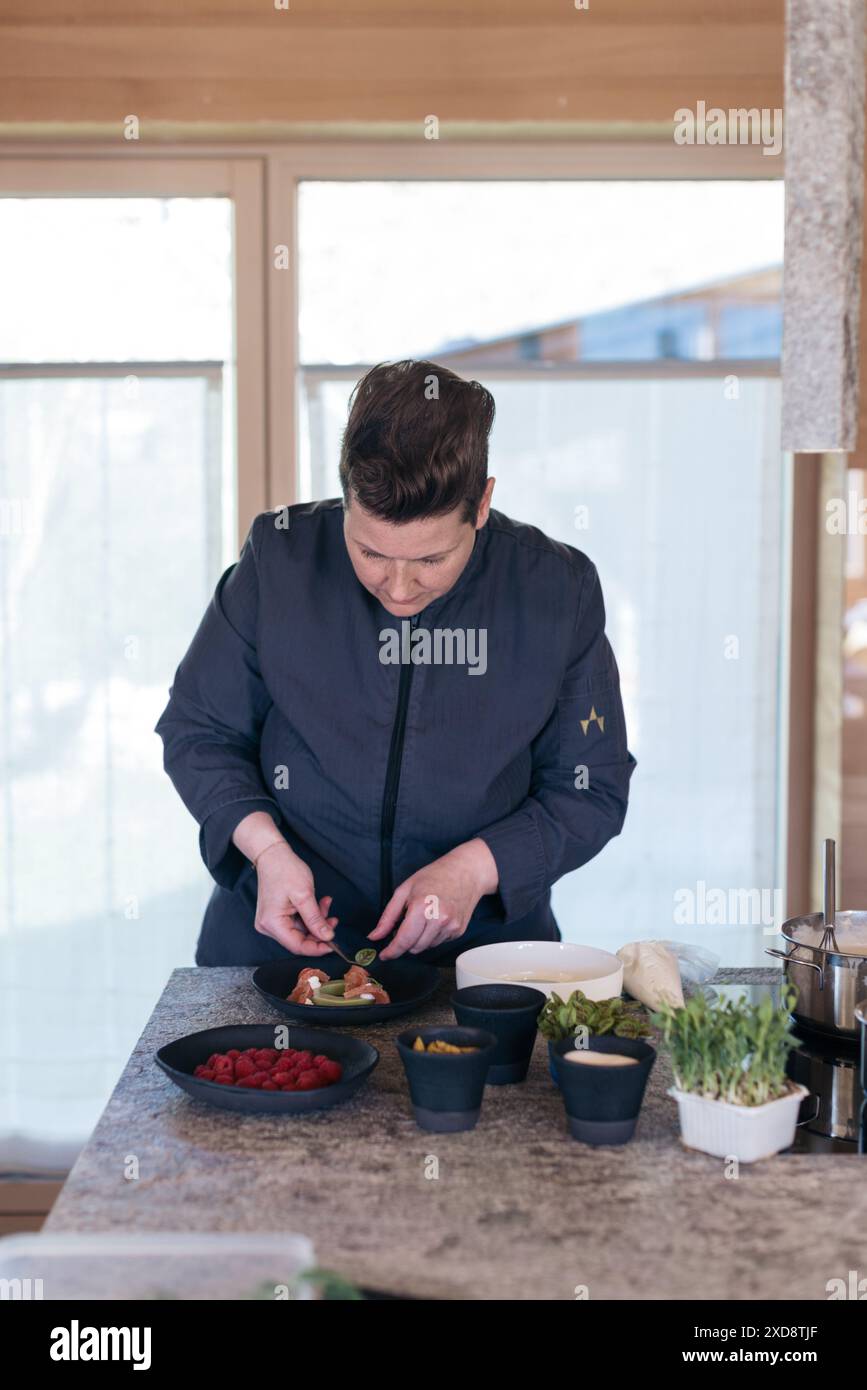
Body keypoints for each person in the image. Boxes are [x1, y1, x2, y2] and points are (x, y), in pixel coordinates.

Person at [155, 359, 636, 965]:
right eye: (370, 552)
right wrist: (267, 853)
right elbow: (200, 731)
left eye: (431, 560)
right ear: (346, 494)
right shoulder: (278, 560)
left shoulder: (556, 589)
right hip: (275, 948)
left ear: (482, 503)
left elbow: (591, 785)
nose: (400, 588)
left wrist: (474, 868)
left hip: (485, 960)